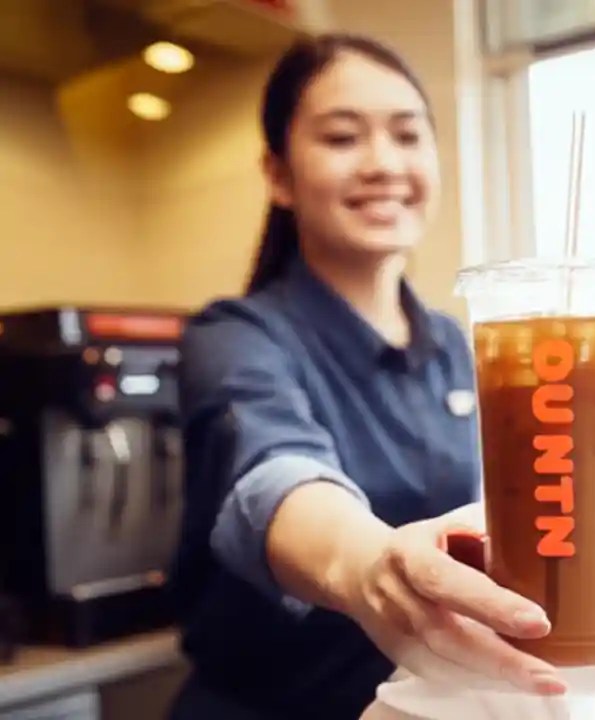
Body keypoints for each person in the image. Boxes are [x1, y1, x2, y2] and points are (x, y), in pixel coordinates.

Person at [168, 33, 566, 719]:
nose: (384, 164)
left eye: (408, 136)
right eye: (343, 137)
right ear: (278, 175)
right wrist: (366, 566)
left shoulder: (451, 341)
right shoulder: (234, 337)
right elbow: (272, 472)